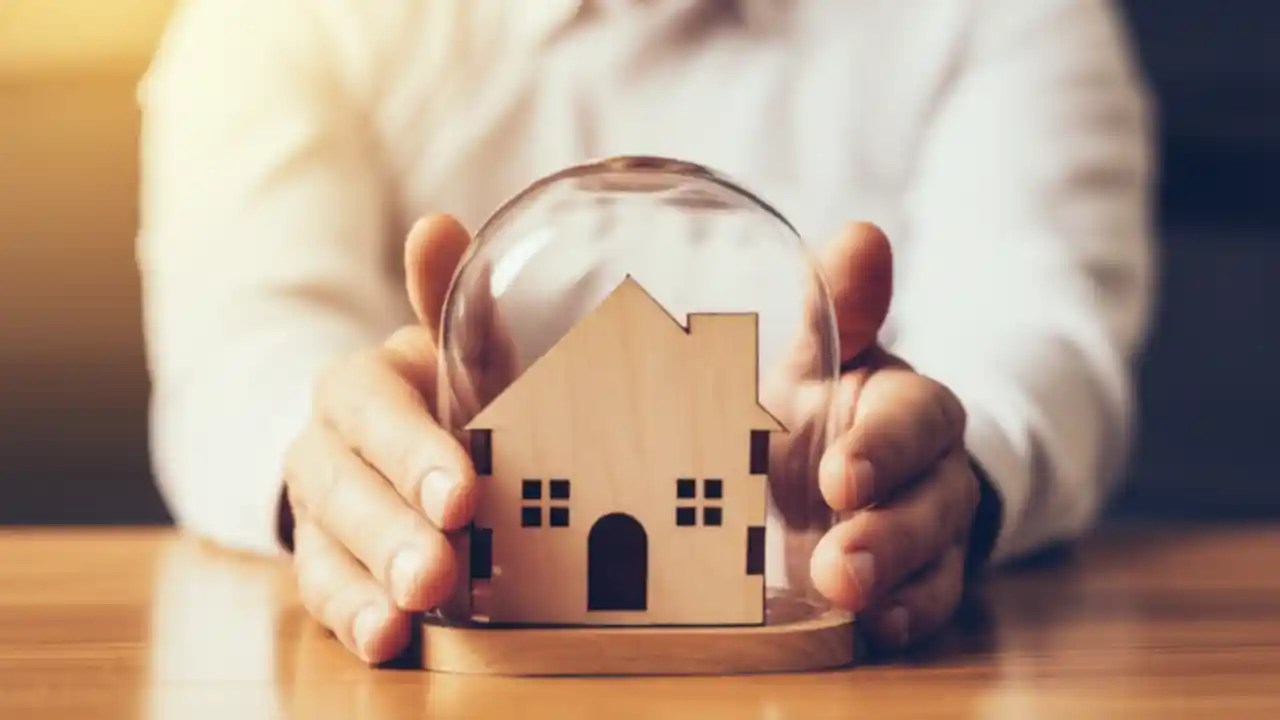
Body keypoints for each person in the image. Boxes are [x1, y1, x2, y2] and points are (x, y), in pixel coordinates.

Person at [138, 0, 1153, 663]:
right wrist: (348, 469)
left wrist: (930, 468)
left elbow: (1035, 328)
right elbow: (243, 340)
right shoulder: (277, 21)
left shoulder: (1006, 15)